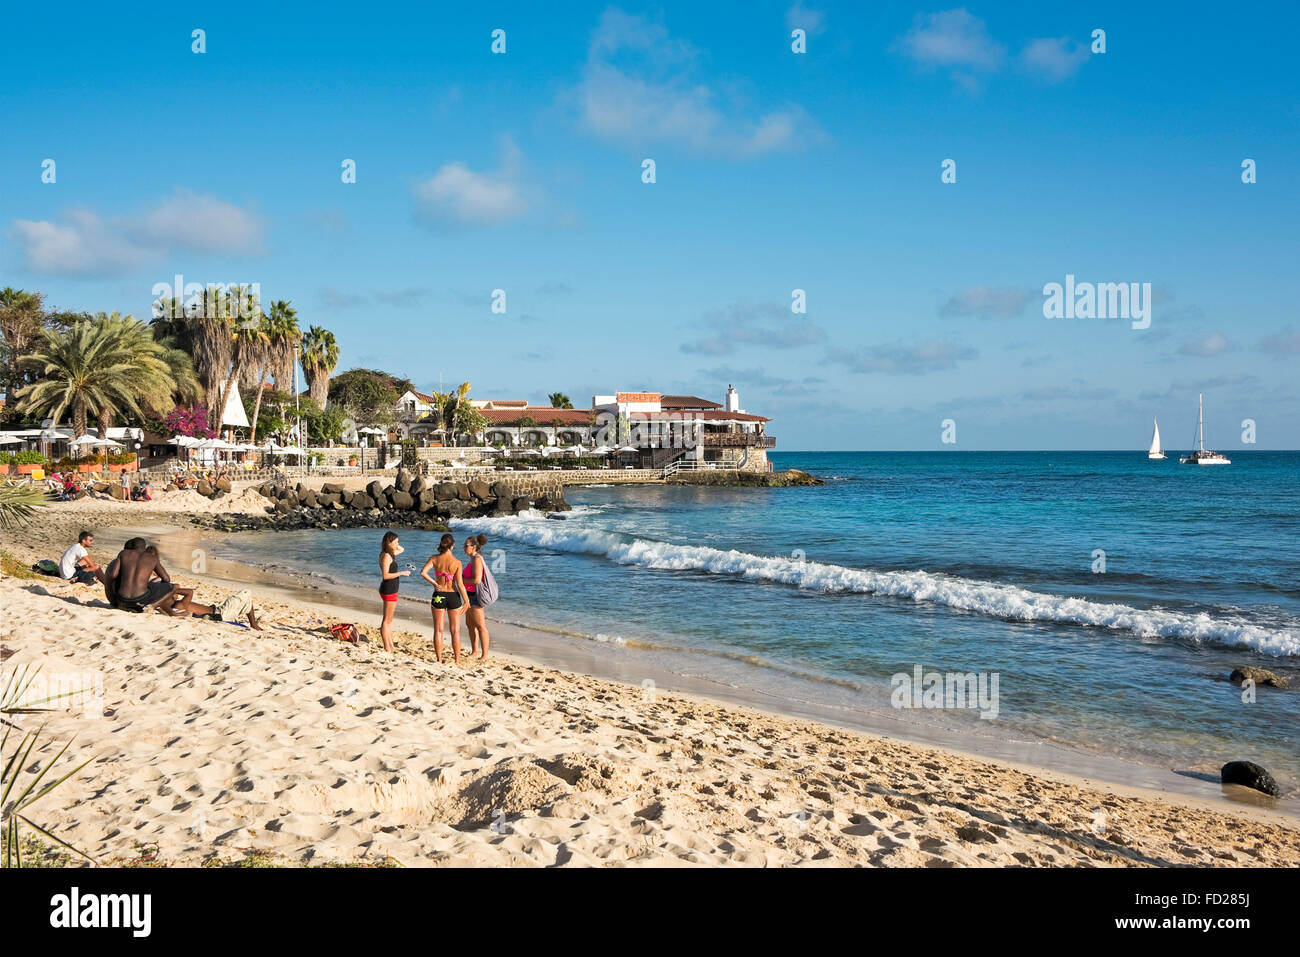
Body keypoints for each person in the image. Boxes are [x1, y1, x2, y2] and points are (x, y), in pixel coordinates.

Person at [420, 533, 468, 664]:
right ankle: (457, 660)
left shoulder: (434, 559)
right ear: (452, 546)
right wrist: (467, 601)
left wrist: (435, 584)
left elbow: (423, 573)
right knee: (455, 630)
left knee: (438, 629)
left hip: (439, 595)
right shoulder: (457, 562)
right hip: (453, 596)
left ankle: (439, 659)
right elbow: (460, 584)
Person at [106, 538, 179, 614]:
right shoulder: (152, 558)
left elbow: (113, 575)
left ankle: (117, 602)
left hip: (121, 599)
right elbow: (166, 579)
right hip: (140, 600)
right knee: (172, 587)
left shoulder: (124, 553)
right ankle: (152, 606)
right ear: (144, 547)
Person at [377, 531, 410, 652]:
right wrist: (402, 573)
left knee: (389, 620)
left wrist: (395, 544)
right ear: (388, 543)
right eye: (395, 542)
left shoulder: (390, 553)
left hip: (390, 589)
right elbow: (385, 575)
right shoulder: (386, 556)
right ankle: (387, 646)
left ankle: (391, 645)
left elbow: (402, 549)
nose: (398, 544)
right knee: (387, 620)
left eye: (398, 541)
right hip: (388, 589)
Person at [463, 534, 491, 661]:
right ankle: (474, 651)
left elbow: (477, 580)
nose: (464, 547)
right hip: (468, 595)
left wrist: (459, 580)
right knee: (470, 624)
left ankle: (484, 655)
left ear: (474, 547)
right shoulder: (472, 559)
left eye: (466, 545)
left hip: (475, 595)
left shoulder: (477, 559)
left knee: (480, 626)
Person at [178, 588, 262, 630]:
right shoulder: (180, 604)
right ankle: (254, 625)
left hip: (220, 612)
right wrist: (173, 589)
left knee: (246, 599)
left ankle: (254, 624)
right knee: (246, 592)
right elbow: (190, 592)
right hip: (221, 613)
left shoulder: (179, 604)